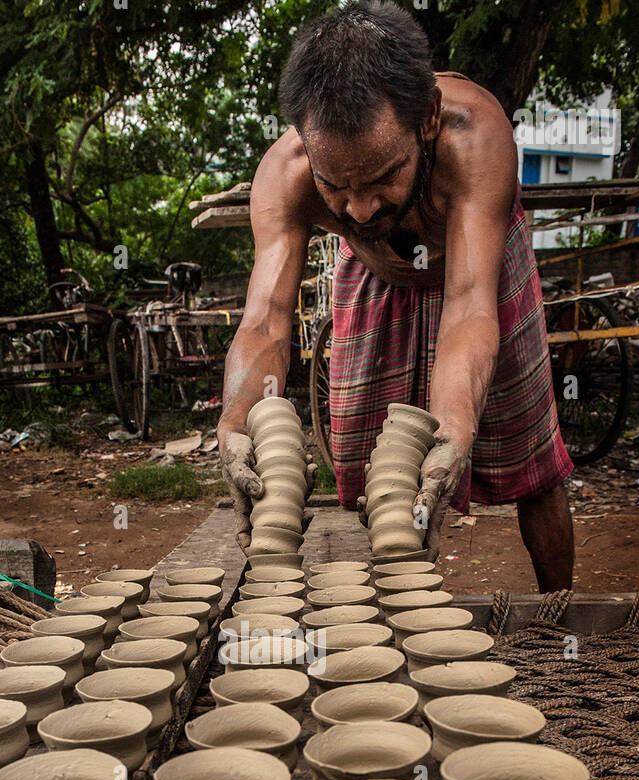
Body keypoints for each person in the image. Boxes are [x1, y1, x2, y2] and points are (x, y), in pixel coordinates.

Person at [217, 1, 575, 590]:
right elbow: (265, 322)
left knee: (530, 465)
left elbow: (468, 308)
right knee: (379, 476)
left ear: (428, 119)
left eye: (384, 176)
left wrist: (457, 427)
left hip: (480, 273)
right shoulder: (285, 174)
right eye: (337, 186)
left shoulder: (476, 138)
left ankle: (564, 616)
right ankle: (397, 628)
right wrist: (234, 423)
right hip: (376, 273)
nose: (359, 208)